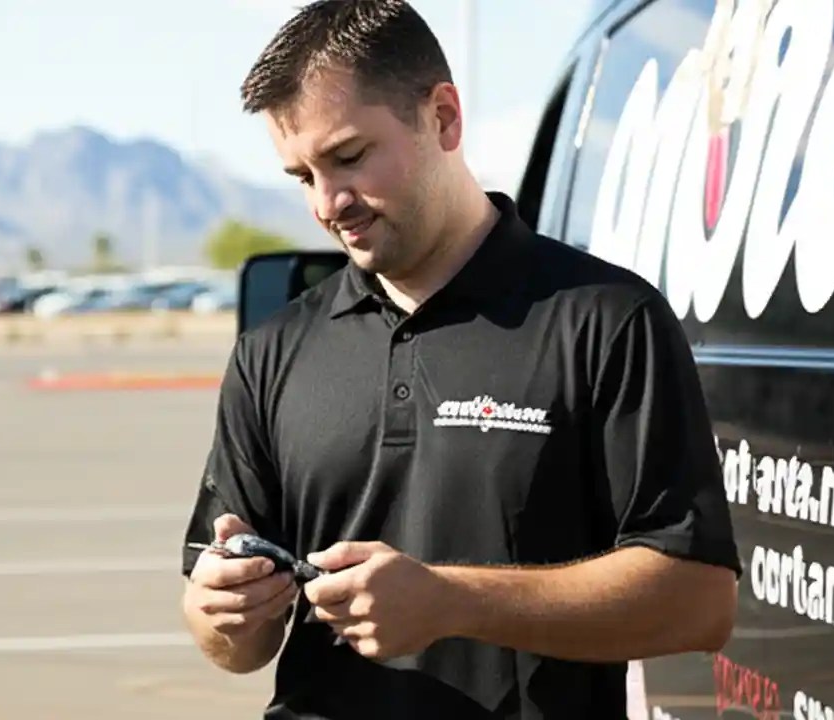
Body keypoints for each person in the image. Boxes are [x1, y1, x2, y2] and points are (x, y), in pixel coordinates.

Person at [179, 0, 742, 717]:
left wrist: (452, 602)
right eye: (302, 176)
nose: (328, 203)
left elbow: (698, 603)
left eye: (349, 157)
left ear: (444, 116)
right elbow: (233, 644)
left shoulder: (605, 319)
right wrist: (223, 611)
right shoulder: (273, 350)